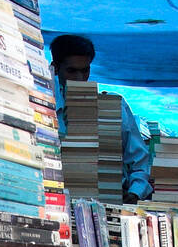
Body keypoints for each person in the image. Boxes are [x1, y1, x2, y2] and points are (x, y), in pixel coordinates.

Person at [49, 33, 153, 203]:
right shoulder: (46, 107)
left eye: (85, 70)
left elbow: (140, 159)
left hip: (108, 201)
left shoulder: (113, 106)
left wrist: (134, 193)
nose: (80, 79)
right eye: (71, 71)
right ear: (55, 69)